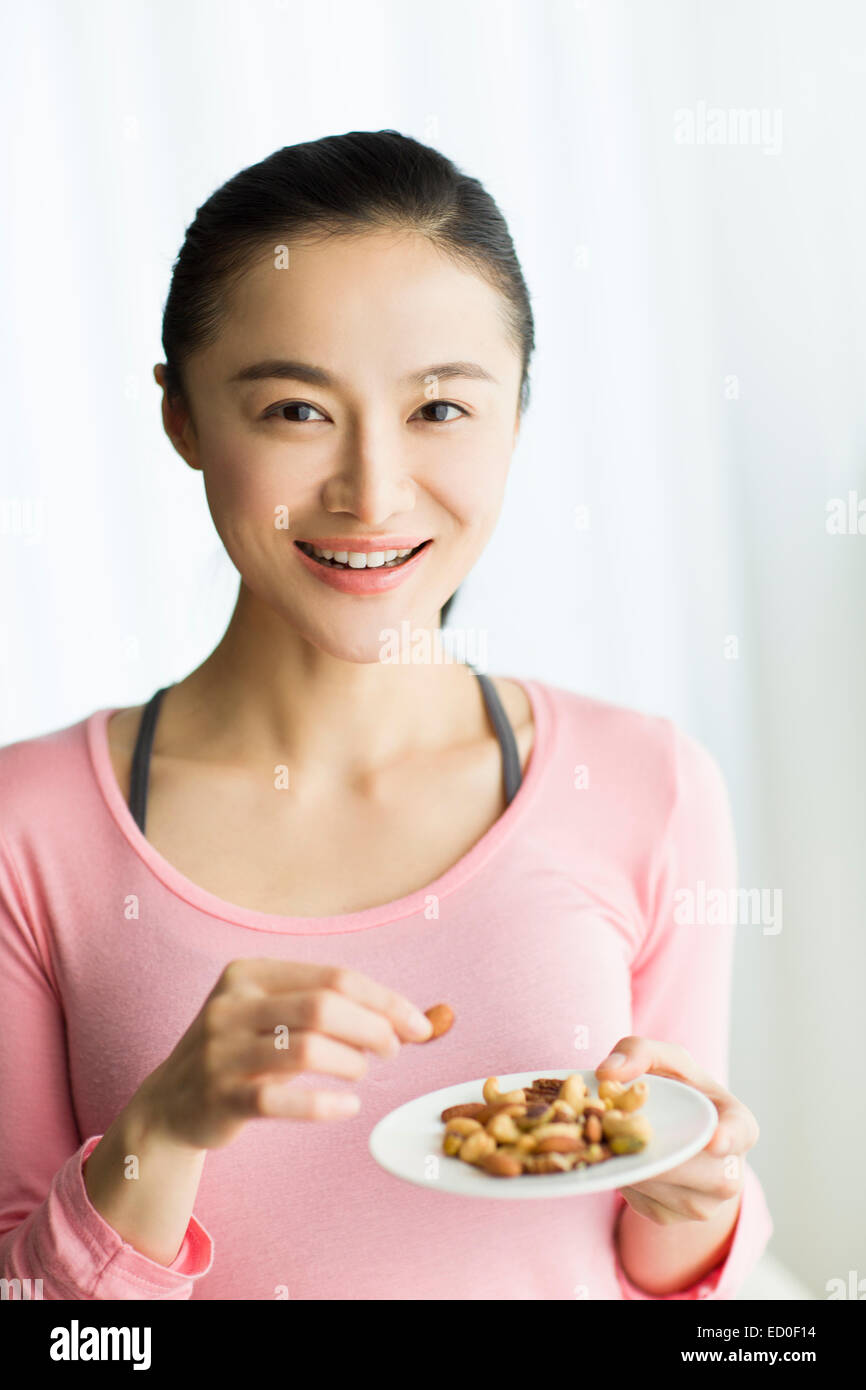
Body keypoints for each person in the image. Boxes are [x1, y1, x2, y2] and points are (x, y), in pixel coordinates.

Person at [0, 130, 771, 1300]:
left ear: (516, 411)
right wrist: (165, 1122)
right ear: (182, 418)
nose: (372, 491)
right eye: (297, 411)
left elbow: (658, 1278)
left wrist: (694, 1203)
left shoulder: (646, 786)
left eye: (441, 410)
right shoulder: (28, 828)